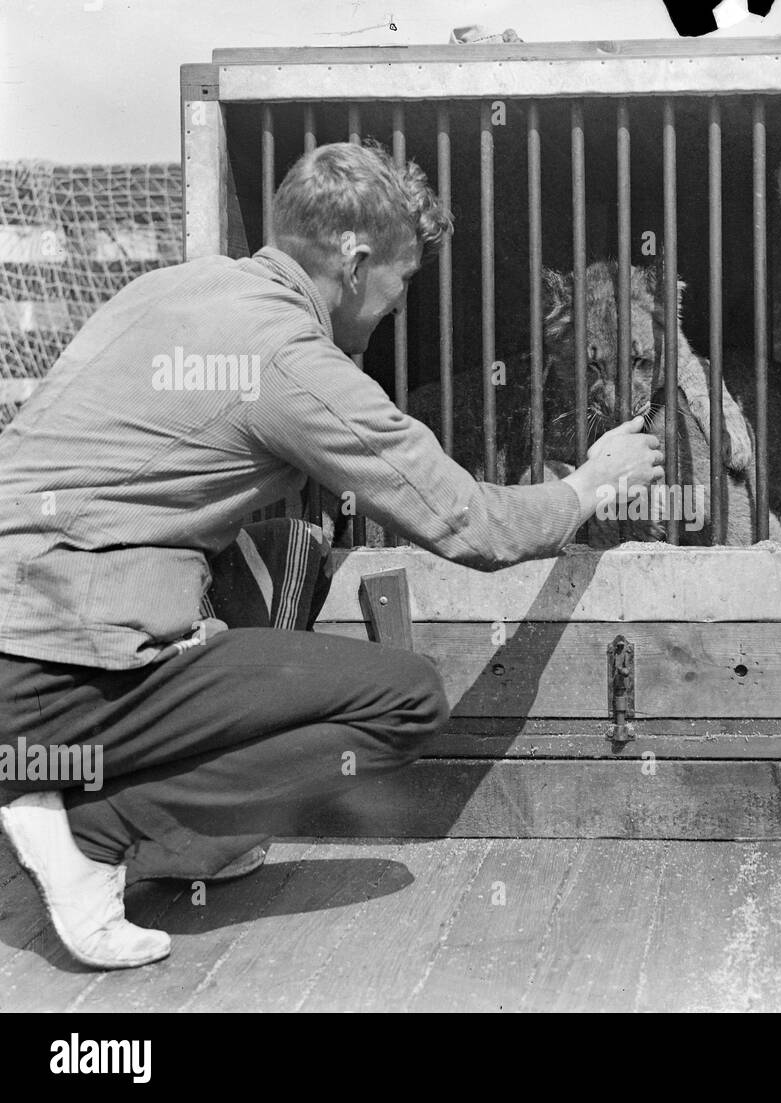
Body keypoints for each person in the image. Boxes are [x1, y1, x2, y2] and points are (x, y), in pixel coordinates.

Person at [0, 141, 663, 970]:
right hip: (48, 664)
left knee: (259, 568)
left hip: (23, 640)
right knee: (407, 700)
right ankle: (94, 833)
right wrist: (592, 484)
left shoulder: (169, 288)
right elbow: (473, 525)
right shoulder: (289, 358)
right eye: (400, 283)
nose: (394, 309)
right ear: (353, 261)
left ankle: (87, 796)